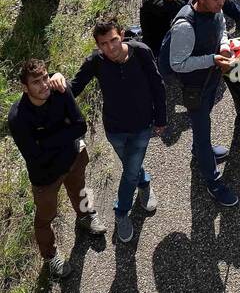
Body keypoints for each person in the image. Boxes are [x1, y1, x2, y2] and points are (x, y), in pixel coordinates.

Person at [51, 16, 166, 244]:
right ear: (97, 45)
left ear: (121, 34)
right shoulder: (96, 61)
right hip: (114, 129)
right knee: (130, 166)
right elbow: (74, 88)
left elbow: (157, 85)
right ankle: (144, 184)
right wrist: (57, 78)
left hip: (143, 126)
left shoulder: (141, 52)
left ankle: (121, 212)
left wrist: (161, 118)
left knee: (130, 170)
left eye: (113, 40)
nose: (110, 47)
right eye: (103, 44)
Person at [7, 58, 105, 278]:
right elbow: (35, 155)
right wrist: (64, 132)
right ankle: (50, 256)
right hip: (45, 176)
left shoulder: (59, 91)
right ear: (25, 87)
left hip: (74, 158)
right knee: (44, 218)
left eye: (45, 78)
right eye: (36, 82)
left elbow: (80, 125)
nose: (43, 85)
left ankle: (85, 216)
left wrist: (44, 139)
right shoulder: (18, 118)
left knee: (81, 189)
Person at [165, 0, 239, 207]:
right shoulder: (185, 27)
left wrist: (225, 46)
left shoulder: (215, 10)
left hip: (210, 78)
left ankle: (200, 151)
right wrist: (213, 59)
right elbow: (177, 63)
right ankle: (212, 180)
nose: (223, 0)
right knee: (202, 127)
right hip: (195, 86)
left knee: (204, 120)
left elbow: (222, 27)